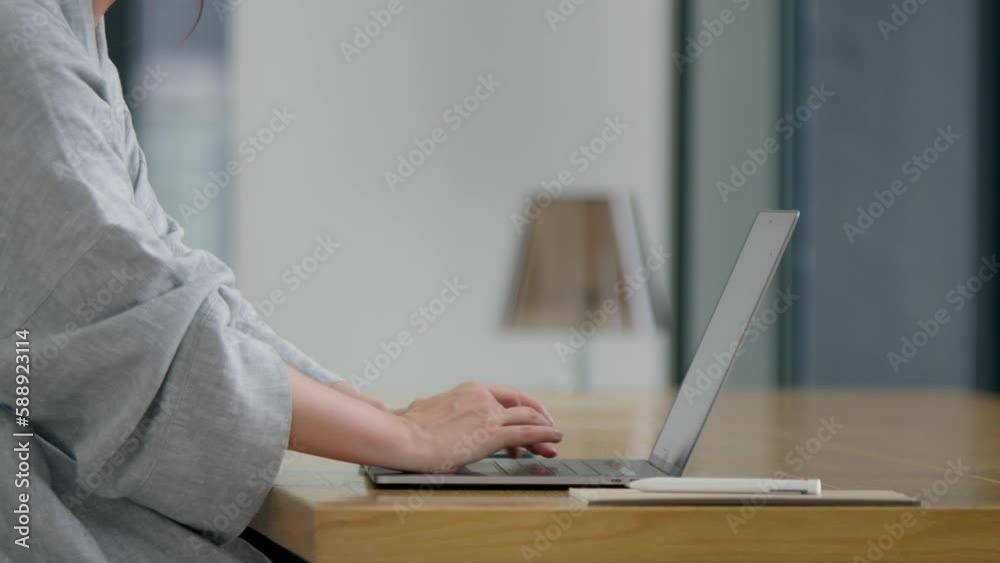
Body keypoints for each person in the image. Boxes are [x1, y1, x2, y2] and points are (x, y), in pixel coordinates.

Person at [0, 1, 563, 560]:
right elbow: (141, 327)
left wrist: (382, 417)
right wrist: (410, 440)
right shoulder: (22, 36)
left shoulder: (74, 33)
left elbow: (176, 285)